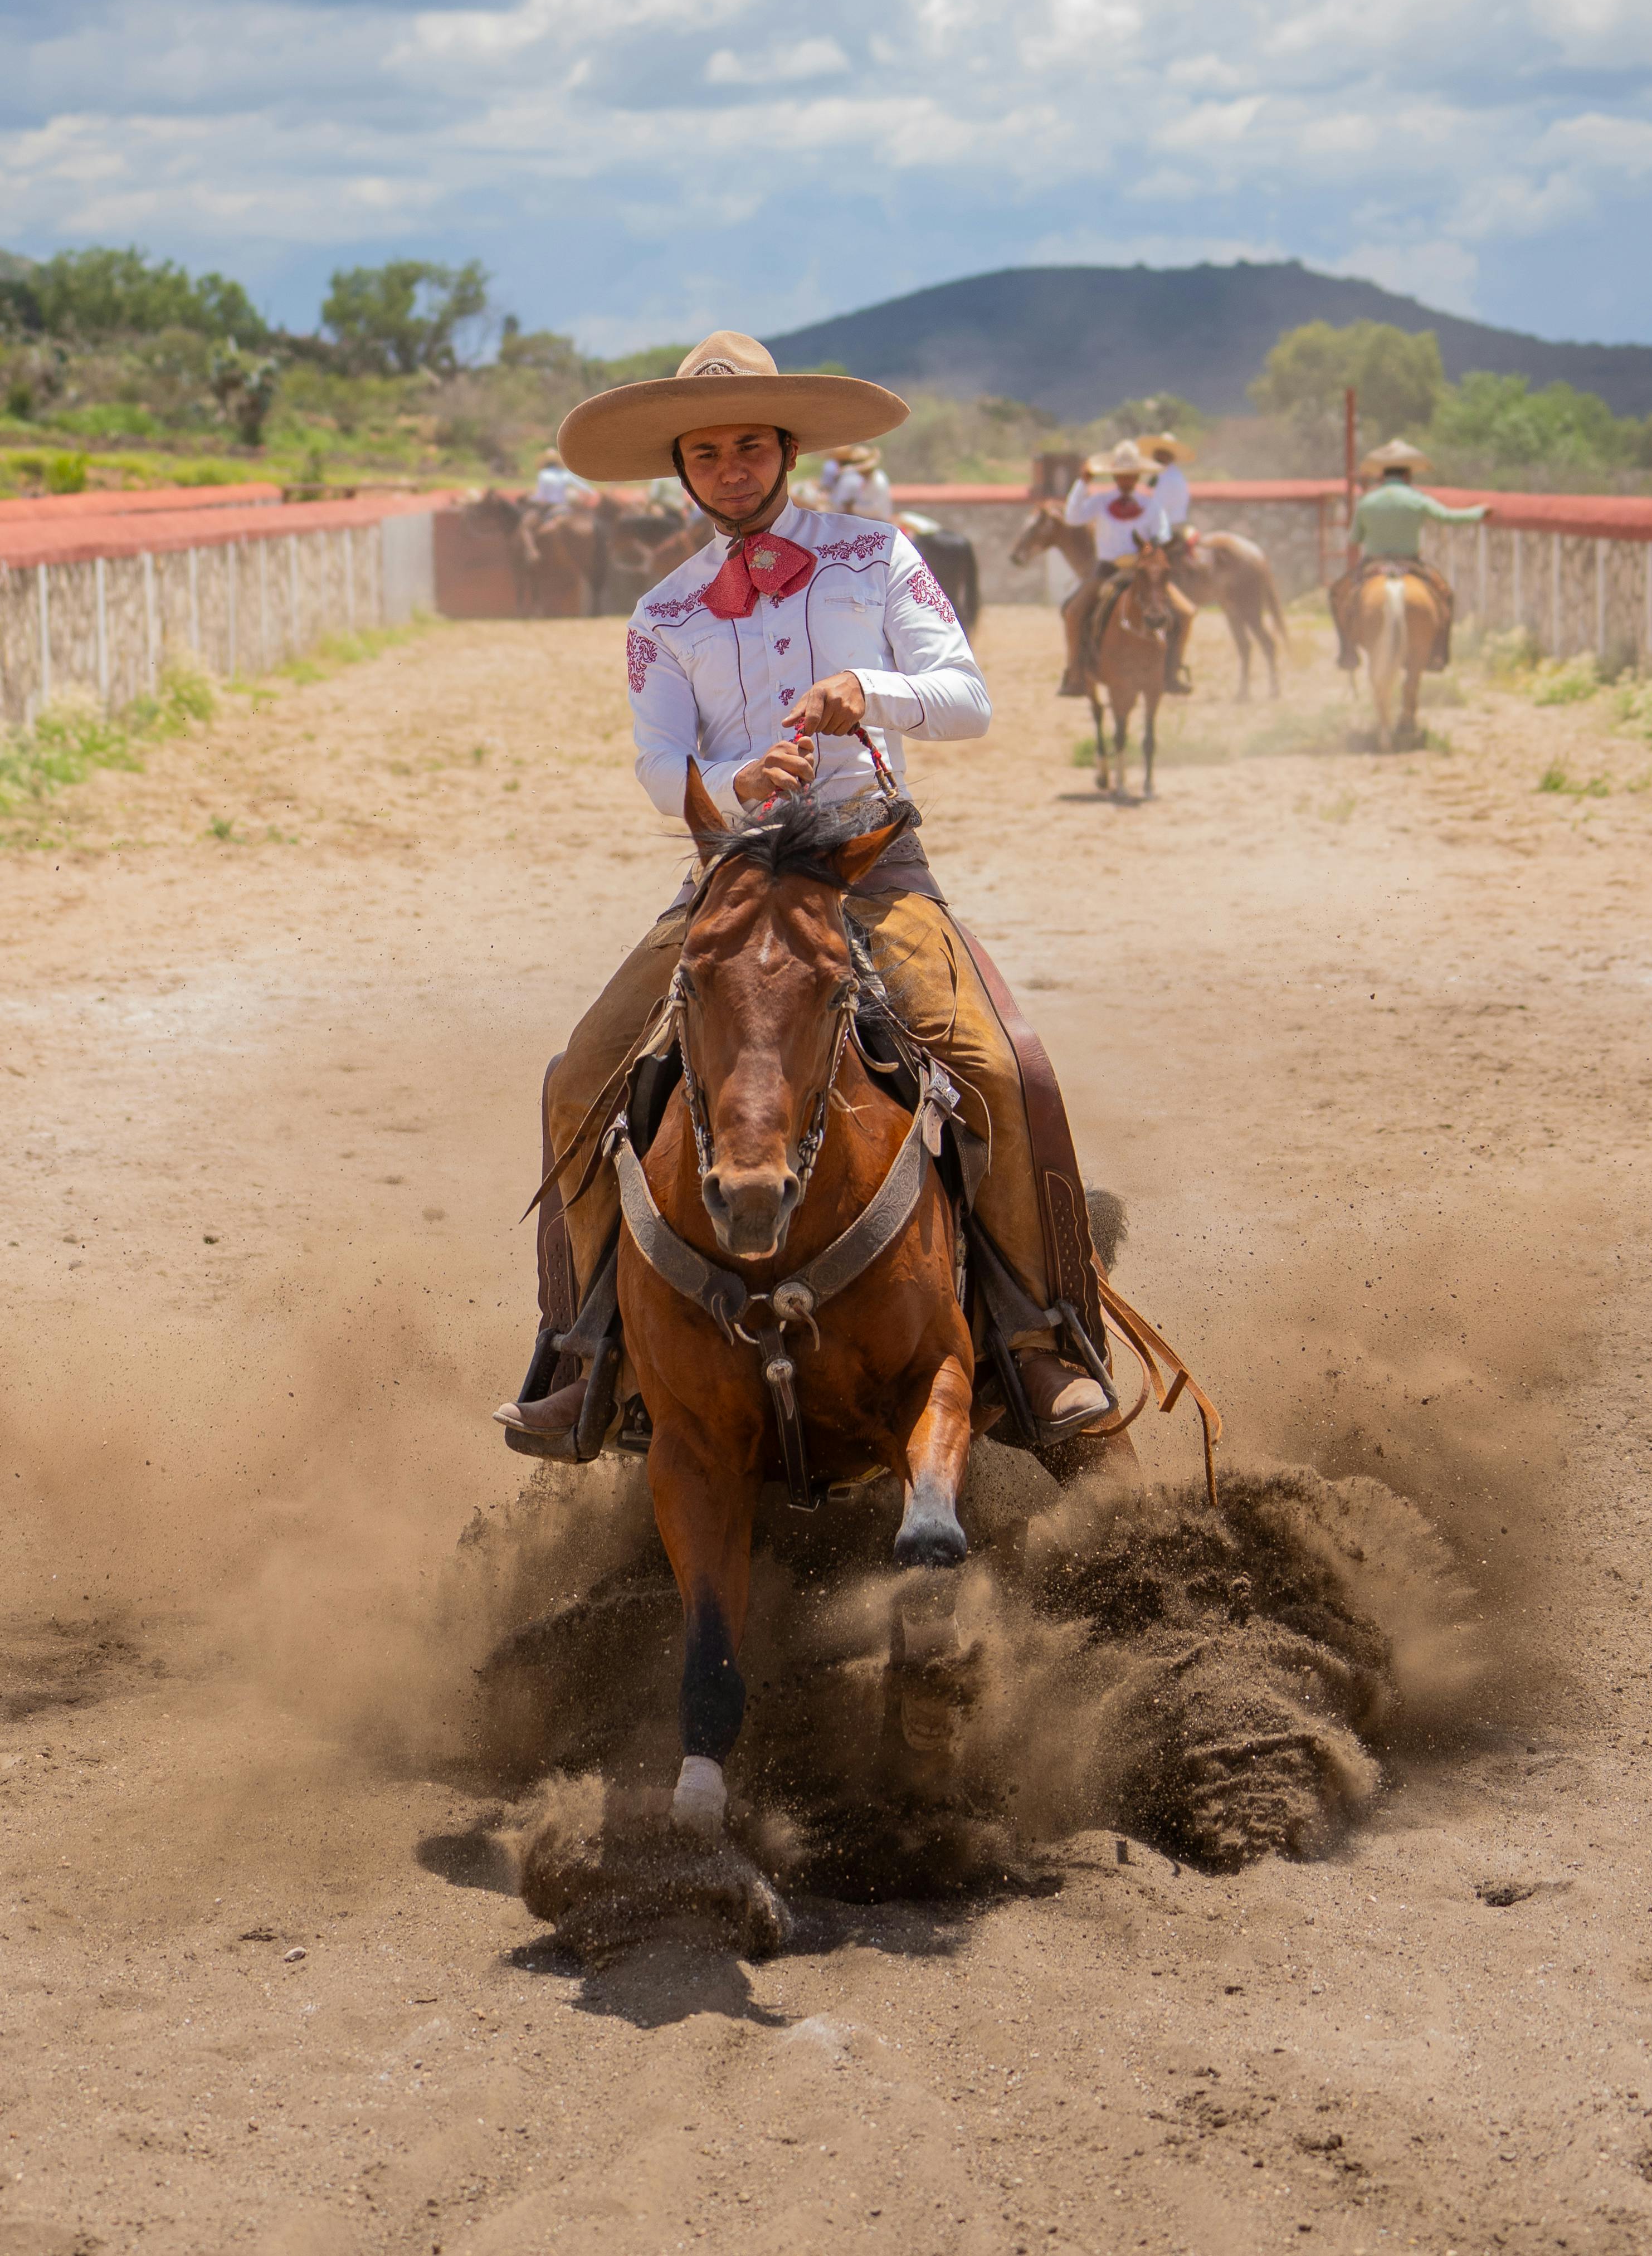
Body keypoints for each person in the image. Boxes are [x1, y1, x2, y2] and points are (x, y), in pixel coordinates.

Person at [495, 330, 1122, 1458]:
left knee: (1000, 1067)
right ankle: (586, 1356)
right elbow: (654, 767)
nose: (730, 466)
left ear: (785, 449)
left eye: (748, 445)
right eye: (706, 451)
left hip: (870, 867)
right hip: (733, 880)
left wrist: (866, 692)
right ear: (678, 470)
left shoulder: (875, 558)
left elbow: (967, 697)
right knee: (581, 1077)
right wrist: (726, 787)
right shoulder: (661, 615)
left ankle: (1038, 1340)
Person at [1329, 440, 1488, 673]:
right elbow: (1448, 517)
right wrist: (1480, 512)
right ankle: (1438, 654)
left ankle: (1347, 653)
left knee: (1336, 595)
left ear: (1382, 476)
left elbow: (1354, 540)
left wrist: (1353, 568)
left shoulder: (1368, 501)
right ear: (1408, 477)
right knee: (1446, 598)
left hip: (1374, 563)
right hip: (1410, 563)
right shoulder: (1417, 499)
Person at [1059, 442, 1195, 698]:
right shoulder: (1100, 501)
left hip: (1143, 573)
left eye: (1131, 475)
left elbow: (1162, 534)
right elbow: (1073, 518)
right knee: (1074, 611)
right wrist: (1082, 484)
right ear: (1114, 476)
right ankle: (1076, 674)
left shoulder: (1150, 505)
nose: (1126, 479)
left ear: (1137, 477)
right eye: (1122, 475)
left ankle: (1172, 672)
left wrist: (1150, 552)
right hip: (1106, 571)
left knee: (1186, 612)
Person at [830, 443, 895, 521]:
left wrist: (852, 508)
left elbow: (877, 510)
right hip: (870, 521)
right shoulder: (867, 480)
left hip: (877, 523)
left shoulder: (878, 481)